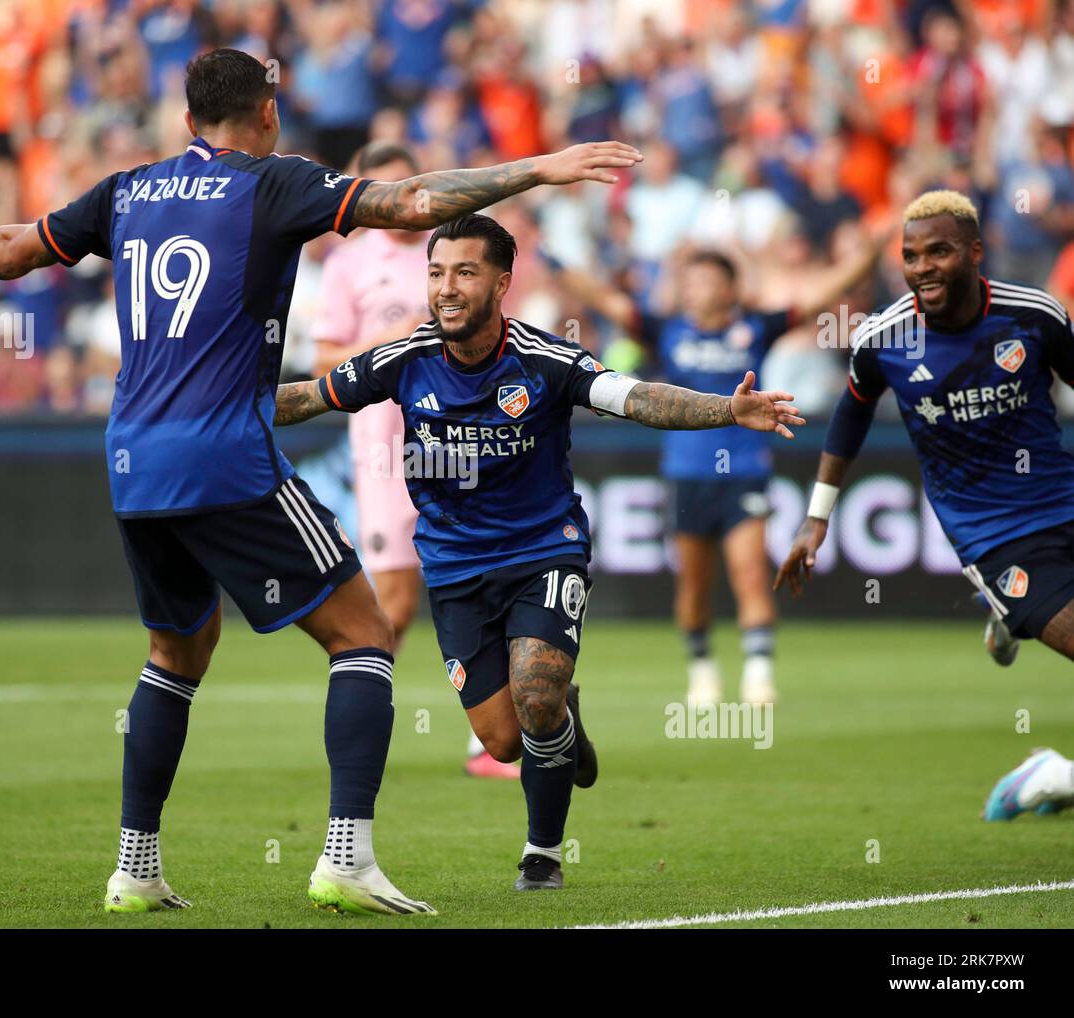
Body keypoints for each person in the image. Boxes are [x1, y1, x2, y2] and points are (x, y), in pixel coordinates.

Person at [0, 49, 644, 916]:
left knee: (175, 654)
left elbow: (11, 249)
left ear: (184, 121)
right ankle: (346, 857)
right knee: (363, 634)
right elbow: (413, 202)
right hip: (225, 456)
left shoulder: (128, 190)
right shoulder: (272, 182)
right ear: (269, 111)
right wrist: (542, 169)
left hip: (132, 461)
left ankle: (135, 867)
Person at [274, 214, 804, 889]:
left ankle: (543, 855)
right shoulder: (402, 358)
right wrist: (219, 405)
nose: (446, 287)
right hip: (453, 567)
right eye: (436, 272)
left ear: (501, 281)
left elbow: (634, 397)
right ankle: (563, 727)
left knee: (535, 690)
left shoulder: (545, 358)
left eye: (465, 271)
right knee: (502, 738)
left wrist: (726, 410)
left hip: (542, 552)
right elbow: (310, 397)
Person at [774, 190, 1074, 821]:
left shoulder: (1034, 315)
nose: (922, 267)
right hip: (995, 537)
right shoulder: (884, 338)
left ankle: (1057, 769)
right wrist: (816, 515)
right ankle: (1047, 772)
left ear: (974, 253)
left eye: (938, 251)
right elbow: (851, 416)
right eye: (910, 256)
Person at [543, 236, 885, 707]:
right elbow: (606, 299)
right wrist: (554, 259)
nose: (695, 288)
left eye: (707, 280)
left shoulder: (756, 328)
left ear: (730, 289)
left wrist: (867, 251)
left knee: (748, 571)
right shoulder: (665, 330)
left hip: (745, 471)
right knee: (694, 583)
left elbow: (819, 296)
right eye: (690, 280)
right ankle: (702, 673)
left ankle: (759, 677)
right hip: (685, 474)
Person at [310, 141, 519, 780]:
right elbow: (323, 365)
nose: (403, 205)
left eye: (412, 192)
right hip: (383, 451)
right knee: (395, 601)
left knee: (488, 583)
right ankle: (361, 722)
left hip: (463, 438)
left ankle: (498, 737)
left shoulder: (454, 255)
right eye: (389, 193)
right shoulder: (349, 264)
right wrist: (390, 344)